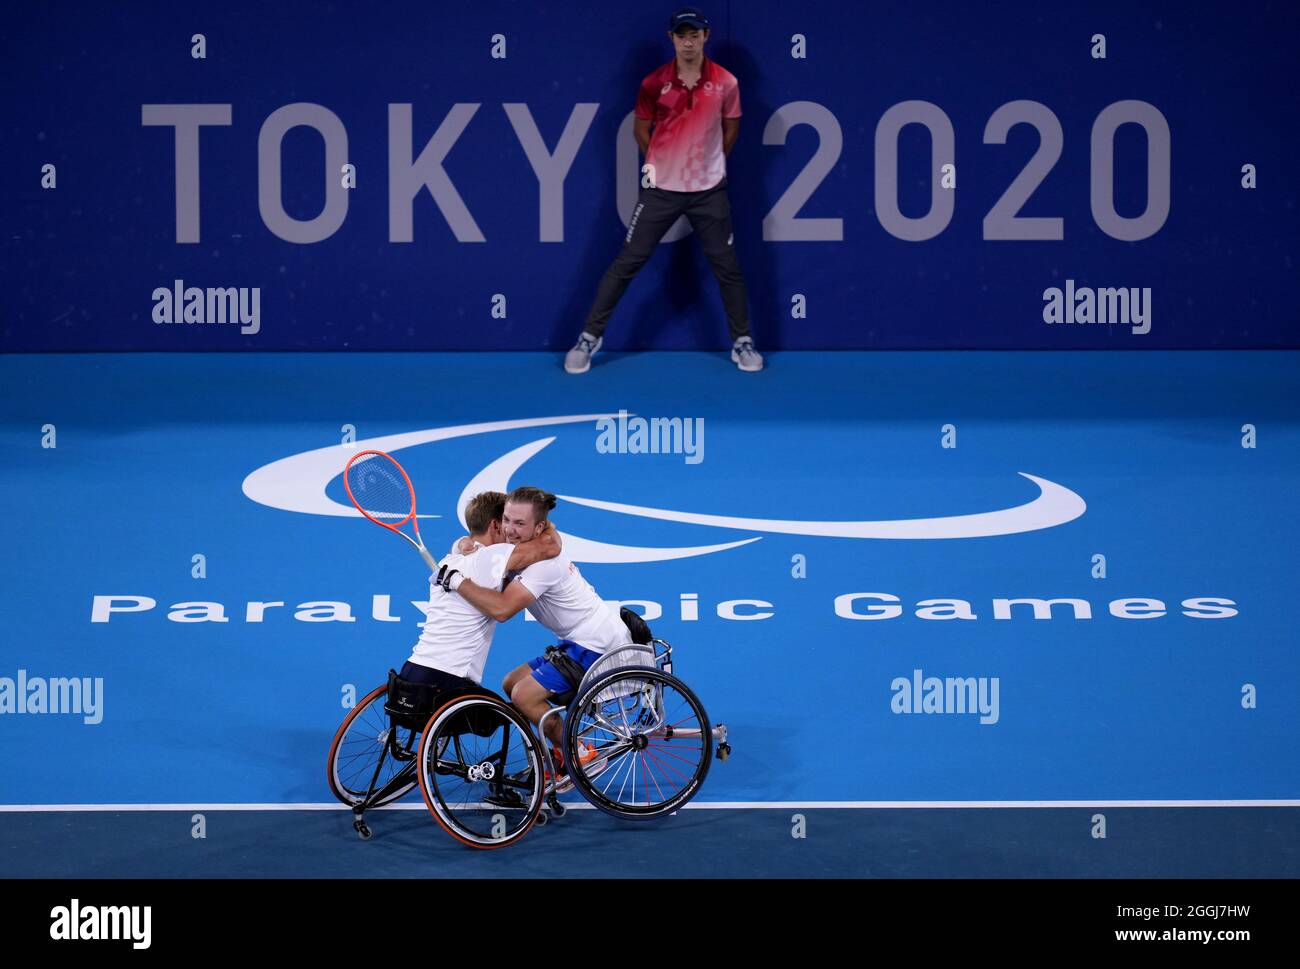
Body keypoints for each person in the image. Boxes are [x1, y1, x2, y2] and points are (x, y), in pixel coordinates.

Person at [564, 7, 763, 375]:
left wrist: (710, 163)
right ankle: (589, 338)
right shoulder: (653, 83)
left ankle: (742, 342)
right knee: (627, 263)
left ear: (706, 36)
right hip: (661, 192)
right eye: (681, 35)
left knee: (727, 268)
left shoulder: (727, 83)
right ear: (671, 38)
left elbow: (731, 129)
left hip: (709, 191)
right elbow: (642, 128)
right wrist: (658, 160)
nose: (688, 41)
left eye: (694, 34)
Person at [435, 486, 639, 774]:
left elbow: (503, 610)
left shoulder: (544, 565)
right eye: (506, 520)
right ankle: (558, 751)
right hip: (576, 642)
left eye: (520, 523)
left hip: (597, 645)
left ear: (539, 527)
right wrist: (461, 545)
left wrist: (457, 580)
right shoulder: (523, 549)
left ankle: (580, 752)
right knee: (510, 682)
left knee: (523, 695)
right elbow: (490, 555)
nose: (510, 530)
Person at [395, 491, 559, 694]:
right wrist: (545, 524)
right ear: (495, 526)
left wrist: (462, 541)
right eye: (506, 522)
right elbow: (551, 546)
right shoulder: (491, 556)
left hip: (413, 671)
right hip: (449, 678)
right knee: (509, 715)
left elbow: (463, 546)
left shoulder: (450, 559)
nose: (510, 531)